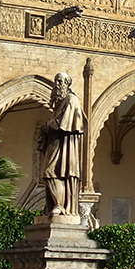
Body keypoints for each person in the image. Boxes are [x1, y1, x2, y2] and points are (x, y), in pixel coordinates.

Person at [40, 72, 84, 217]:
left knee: (51, 171)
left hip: (65, 145)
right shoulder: (60, 103)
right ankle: (54, 204)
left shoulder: (71, 100)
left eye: (60, 82)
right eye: (56, 81)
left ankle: (60, 205)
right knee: (50, 172)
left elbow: (64, 123)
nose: (57, 85)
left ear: (67, 84)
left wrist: (48, 124)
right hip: (56, 142)